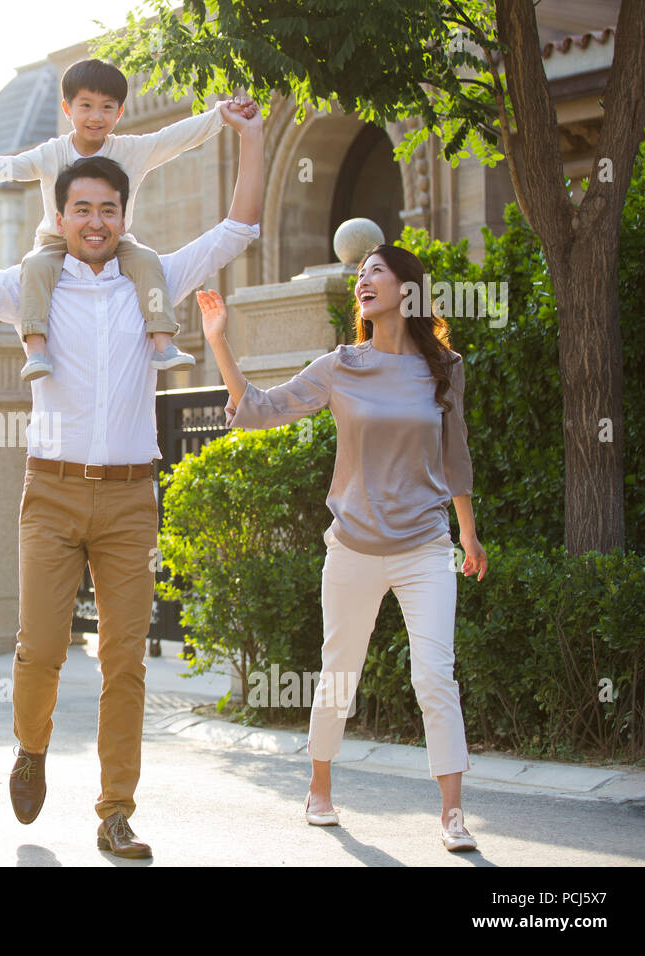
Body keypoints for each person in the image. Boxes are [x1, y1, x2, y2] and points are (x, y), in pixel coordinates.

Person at [0, 98, 263, 858]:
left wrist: (253, 138)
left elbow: (239, 229)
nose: (96, 221)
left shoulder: (158, 277)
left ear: (123, 214)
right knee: (40, 650)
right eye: (82, 209)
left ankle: (115, 811)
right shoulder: (29, 286)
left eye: (108, 208)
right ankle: (32, 746)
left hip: (132, 498)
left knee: (124, 661)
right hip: (51, 494)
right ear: (62, 215)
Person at [198, 243, 489, 852]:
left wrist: (467, 531)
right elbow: (258, 410)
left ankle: (453, 814)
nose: (364, 279)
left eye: (377, 270)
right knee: (338, 672)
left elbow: (454, 453)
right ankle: (321, 789)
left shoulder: (445, 367)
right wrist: (219, 339)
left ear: (407, 289)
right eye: (360, 273)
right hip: (353, 546)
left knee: (435, 675)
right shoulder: (341, 366)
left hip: (424, 543)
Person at [0, 57, 255, 382]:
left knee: (148, 261)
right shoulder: (52, 153)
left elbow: (173, 138)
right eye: (86, 106)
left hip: (115, 240)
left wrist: (220, 116)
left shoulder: (129, 151)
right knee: (34, 268)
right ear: (67, 110)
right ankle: (36, 348)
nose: (96, 117)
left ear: (119, 113)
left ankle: (163, 341)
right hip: (57, 241)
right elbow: (13, 166)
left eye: (107, 108)